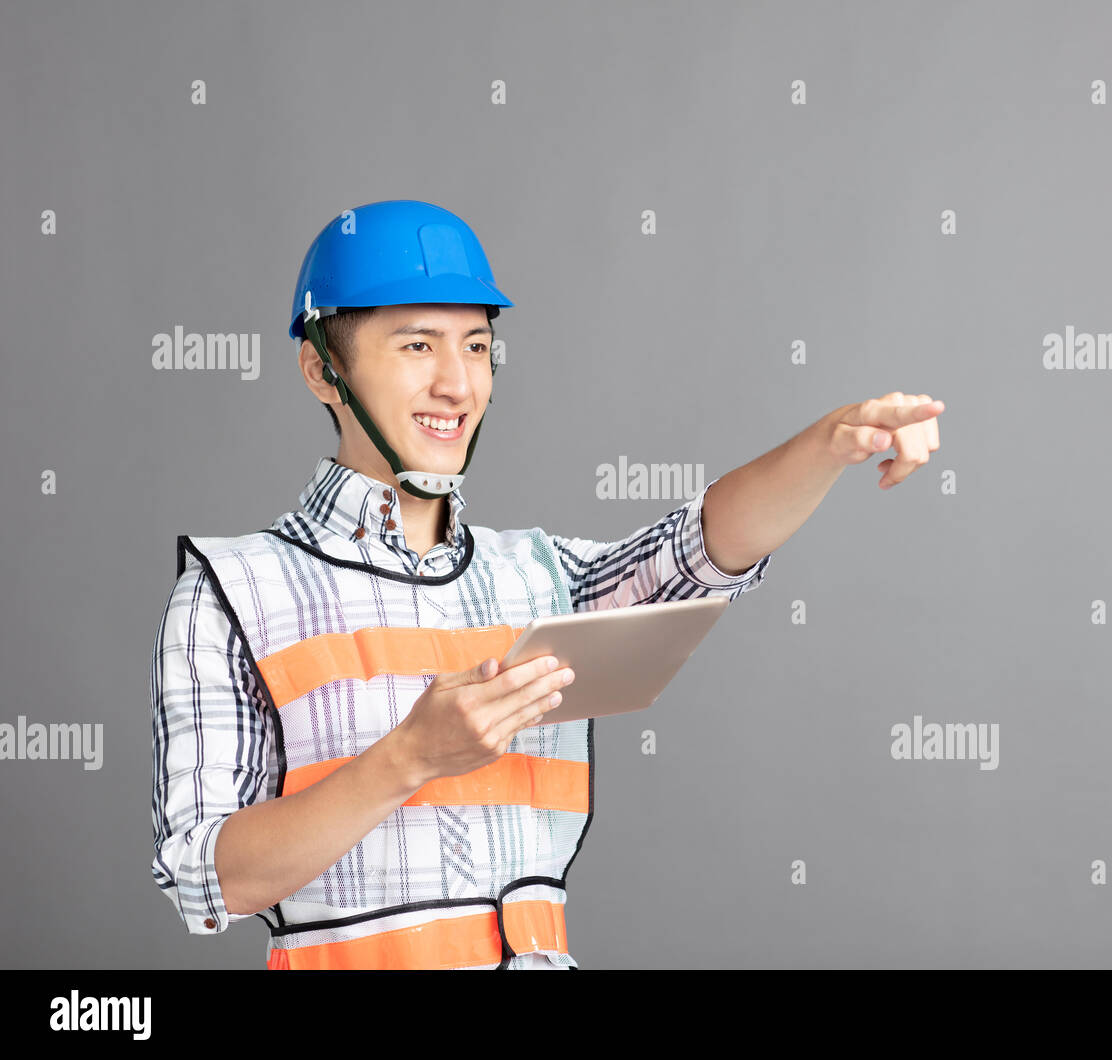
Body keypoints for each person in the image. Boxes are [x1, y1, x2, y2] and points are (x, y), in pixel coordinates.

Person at [150, 199, 944, 970]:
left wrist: (832, 441)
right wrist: (407, 759)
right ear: (322, 370)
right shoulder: (234, 591)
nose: (457, 385)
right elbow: (204, 880)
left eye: (474, 345)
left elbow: (702, 549)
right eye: (417, 346)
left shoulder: (540, 578)